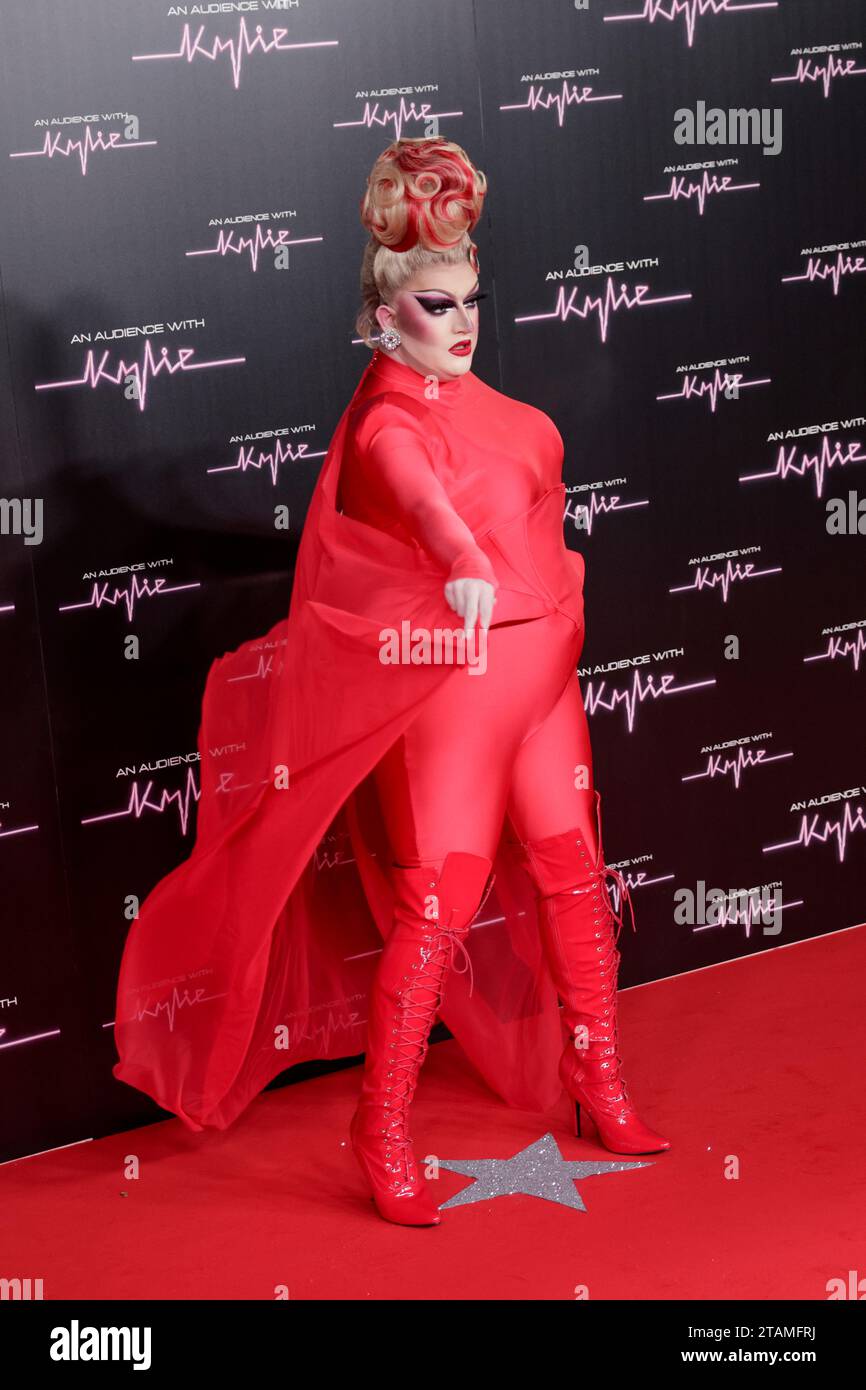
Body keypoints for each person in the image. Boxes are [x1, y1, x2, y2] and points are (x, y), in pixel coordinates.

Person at [112, 137, 669, 1229]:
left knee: (572, 873)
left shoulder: (483, 401)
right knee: (437, 908)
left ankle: (597, 1080)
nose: (458, 323)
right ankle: (381, 1127)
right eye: (432, 303)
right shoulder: (384, 423)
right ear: (381, 316)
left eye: (467, 299)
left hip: (542, 676)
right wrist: (460, 558)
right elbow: (419, 499)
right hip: (453, 692)